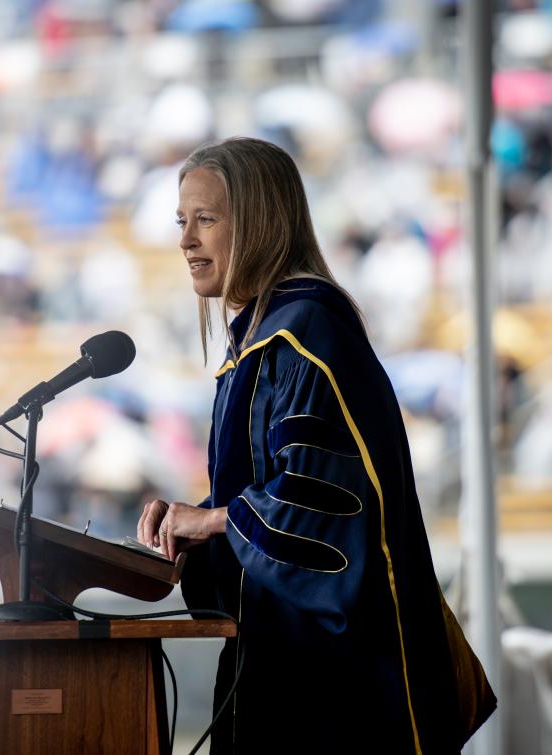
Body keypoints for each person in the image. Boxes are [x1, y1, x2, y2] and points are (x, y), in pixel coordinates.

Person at [136, 137, 494, 753]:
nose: (186, 240)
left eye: (207, 219)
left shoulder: (307, 334)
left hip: (336, 675)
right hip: (282, 653)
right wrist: (192, 530)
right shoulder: (261, 341)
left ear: (258, 223)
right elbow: (275, 492)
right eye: (182, 221)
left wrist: (216, 521)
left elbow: (327, 502)